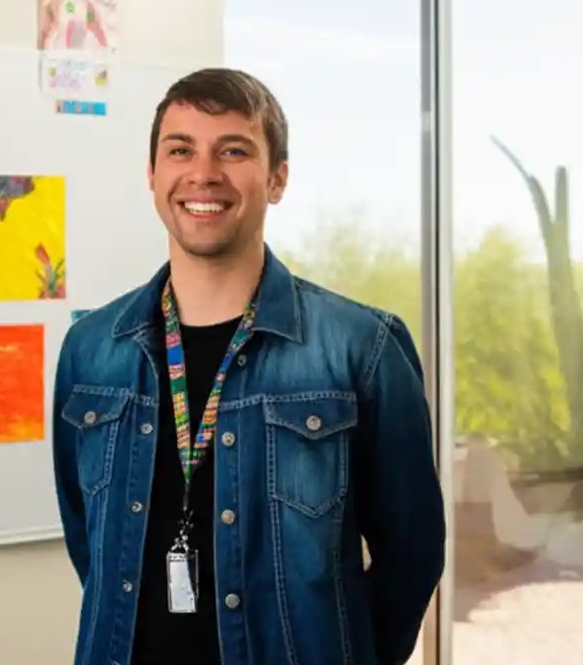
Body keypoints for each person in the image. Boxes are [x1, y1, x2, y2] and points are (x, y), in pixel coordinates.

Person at [51, 68, 445, 665]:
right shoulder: (91, 350)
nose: (202, 173)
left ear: (277, 178)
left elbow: (412, 552)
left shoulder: (361, 348)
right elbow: (89, 541)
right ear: (152, 175)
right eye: (180, 150)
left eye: (233, 150)